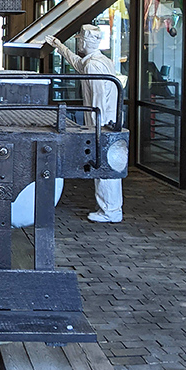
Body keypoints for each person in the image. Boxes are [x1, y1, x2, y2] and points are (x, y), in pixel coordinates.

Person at [45, 25, 124, 223]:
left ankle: (110, 211)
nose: (78, 42)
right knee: (109, 165)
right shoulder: (100, 60)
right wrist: (59, 46)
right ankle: (110, 208)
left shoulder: (93, 66)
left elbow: (97, 101)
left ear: (86, 42)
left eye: (80, 39)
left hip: (101, 122)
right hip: (108, 121)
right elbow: (76, 63)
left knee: (103, 166)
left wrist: (93, 126)